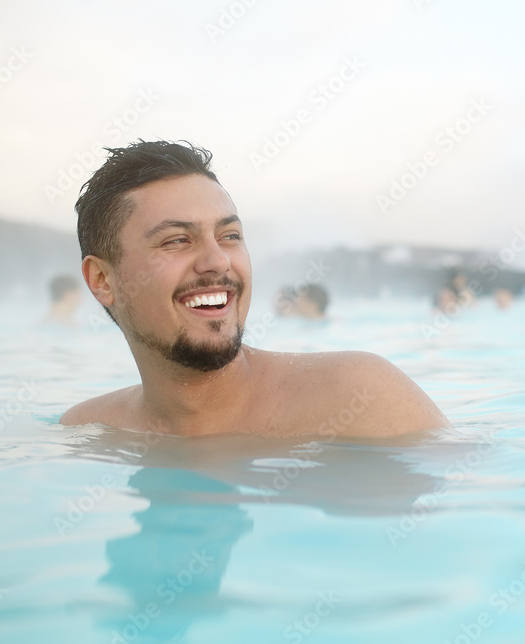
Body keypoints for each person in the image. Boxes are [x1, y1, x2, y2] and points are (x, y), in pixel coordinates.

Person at [60, 140, 448, 437]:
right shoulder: (91, 434)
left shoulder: (358, 398)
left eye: (229, 235)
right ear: (102, 281)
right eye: (177, 240)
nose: (218, 260)